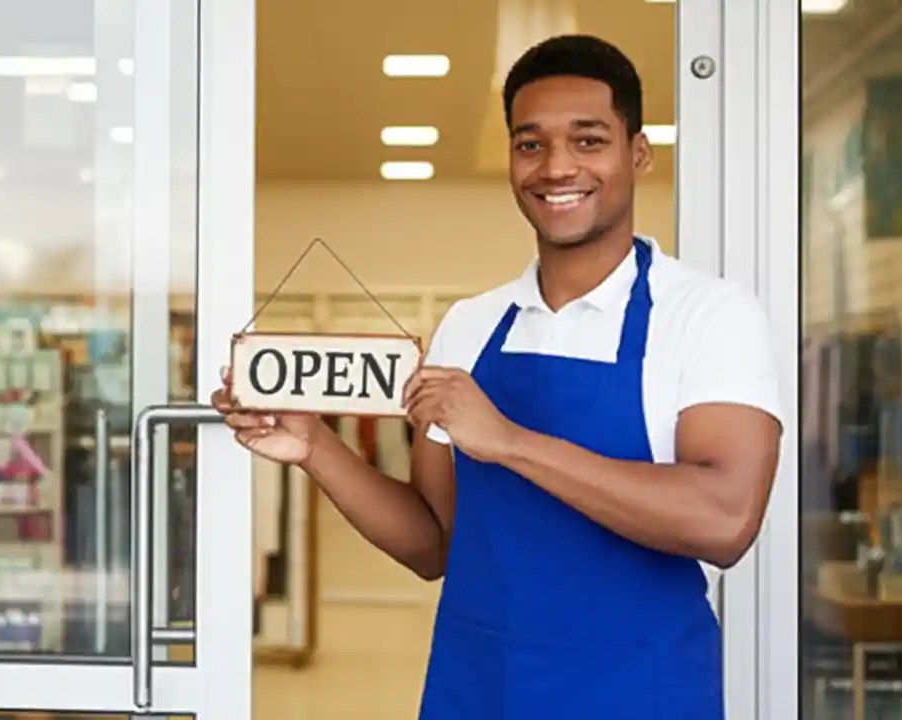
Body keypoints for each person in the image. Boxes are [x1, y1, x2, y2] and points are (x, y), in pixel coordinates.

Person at [211, 34, 782, 719]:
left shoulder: (708, 315)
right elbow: (434, 542)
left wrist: (509, 441)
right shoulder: (471, 326)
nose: (556, 166)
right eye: (530, 143)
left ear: (638, 153)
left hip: (640, 693)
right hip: (477, 688)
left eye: (589, 139)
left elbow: (725, 519)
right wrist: (313, 447)